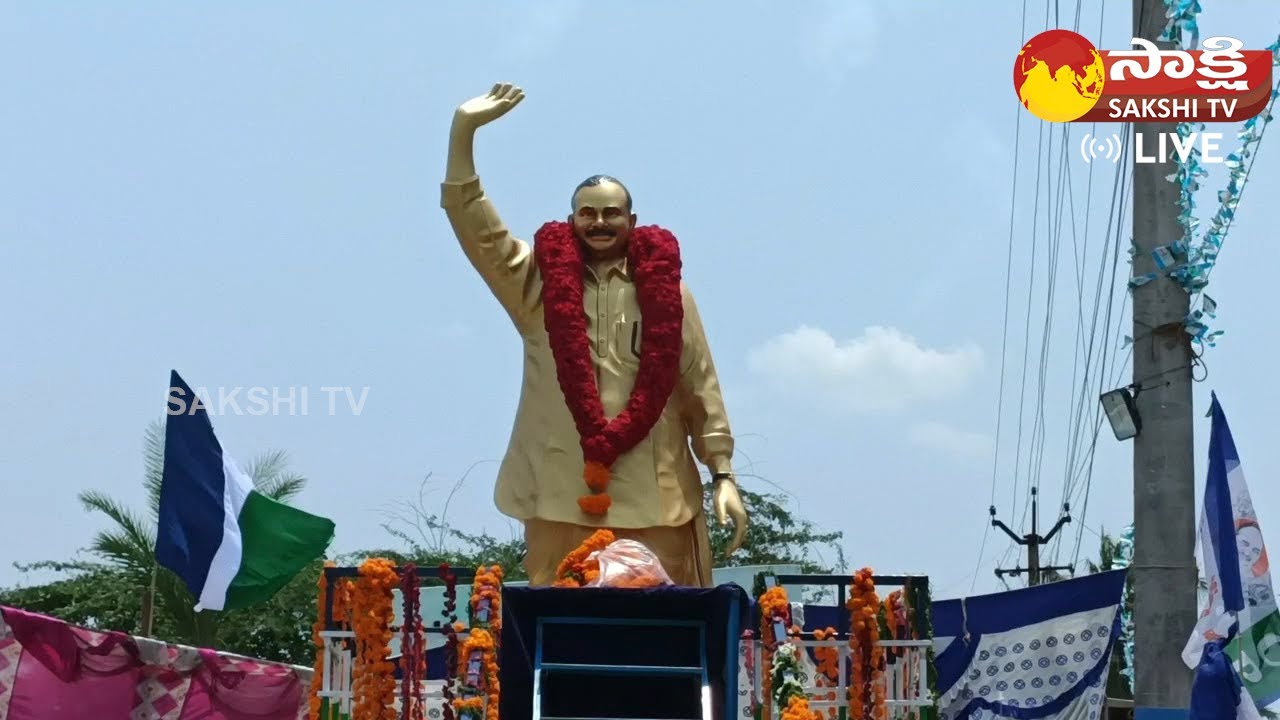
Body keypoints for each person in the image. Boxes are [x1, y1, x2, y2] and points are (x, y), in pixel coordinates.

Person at [439, 82, 747, 587]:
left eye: (611, 213)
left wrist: (723, 473)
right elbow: (479, 232)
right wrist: (462, 134)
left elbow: (699, 386)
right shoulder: (534, 284)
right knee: (559, 633)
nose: (599, 222)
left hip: (658, 497)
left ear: (632, 220)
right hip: (560, 490)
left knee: (662, 639)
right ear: (571, 220)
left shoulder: (671, 295)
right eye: (588, 213)